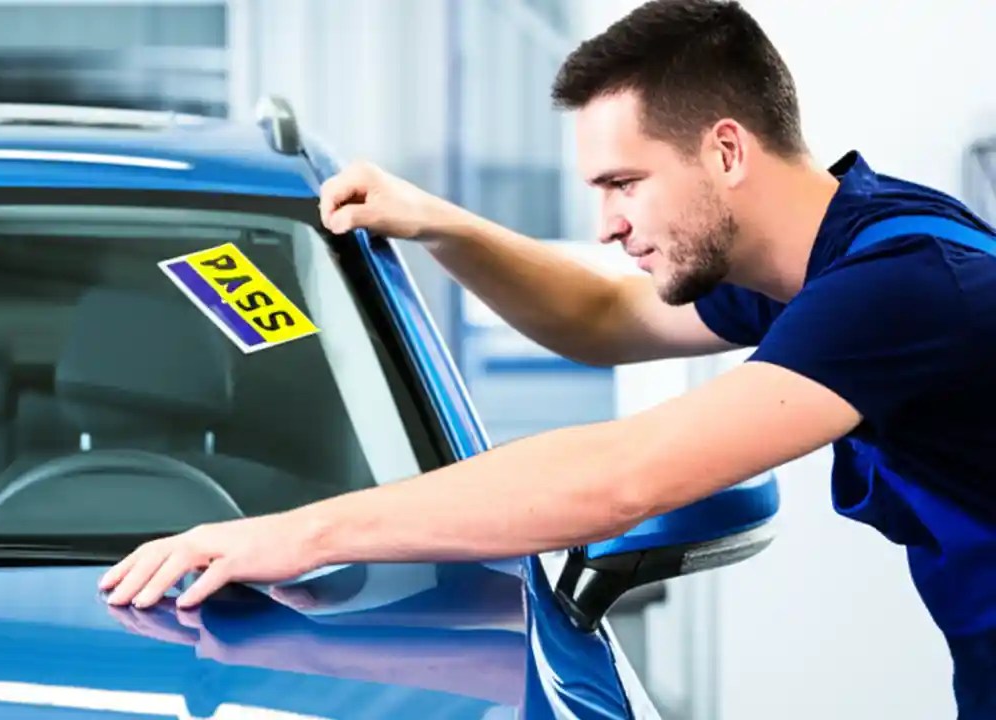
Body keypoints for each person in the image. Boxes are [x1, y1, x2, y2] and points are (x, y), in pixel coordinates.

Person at [100, 0, 996, 714]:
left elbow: (623, 479)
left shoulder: (905, 286)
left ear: (726, 148)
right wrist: (440, 225)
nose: (607, 224)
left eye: (624, 184)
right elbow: (604, 314)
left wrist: (289, 533)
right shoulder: (827, 250)